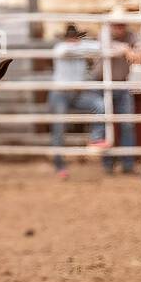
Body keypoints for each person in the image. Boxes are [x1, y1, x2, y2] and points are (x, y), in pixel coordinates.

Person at [89, 11, 141, 174]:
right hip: (101, 83)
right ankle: (108, 164)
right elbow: (107, 46)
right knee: (104, 122)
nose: (119, 27)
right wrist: (126, 50)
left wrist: (135, 52)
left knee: (126, 124)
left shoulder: (131, 35)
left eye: (121, 24)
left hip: (121, 83)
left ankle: (127, 164)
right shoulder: (106, 34)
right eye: (116, 24)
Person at [48, 25, 101, 178]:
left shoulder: (80, 48)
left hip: (76, 93)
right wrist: (82, 46)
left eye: (75, 37)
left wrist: (82, 46)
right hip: (60, 93)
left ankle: (96, 138)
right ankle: (60, 166)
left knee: (99, 104)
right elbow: (65, 50)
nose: (73, 39)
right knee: (59, 129)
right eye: (71, 37)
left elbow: (98, 47)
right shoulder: (61, 48)